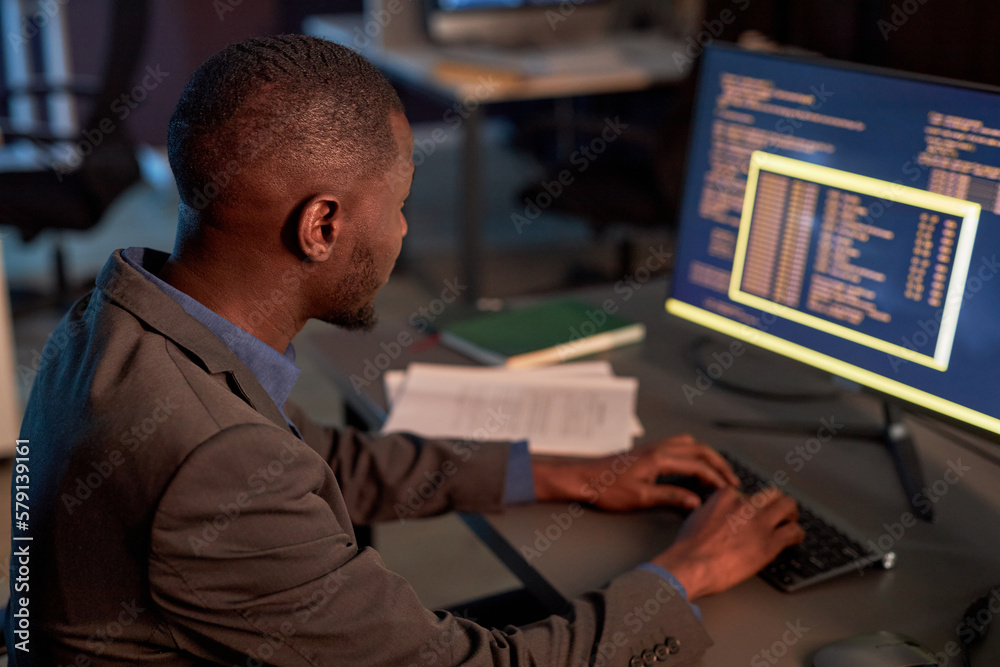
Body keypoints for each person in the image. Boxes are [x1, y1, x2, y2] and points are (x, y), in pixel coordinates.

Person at [5, 35, 803, 665]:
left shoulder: (117, 317)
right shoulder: (215, 464)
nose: (405, 233)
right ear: (321, 226)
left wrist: (565, 472)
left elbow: (320, 462)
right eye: (401, 207)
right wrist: (685, 572)